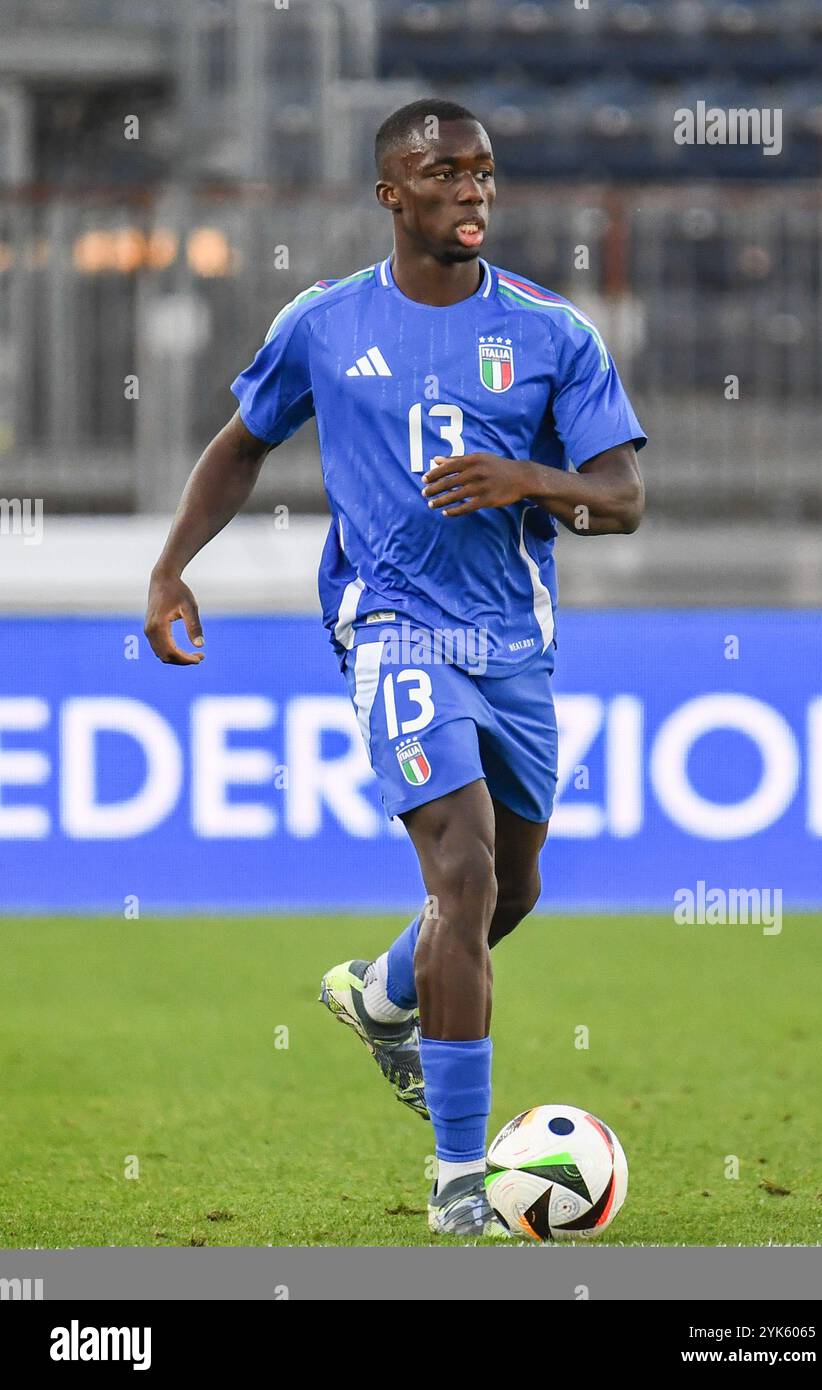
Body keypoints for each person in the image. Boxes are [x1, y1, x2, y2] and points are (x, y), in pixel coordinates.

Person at [144, 98, 646, 1238]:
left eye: (482, 174)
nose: (471, 191)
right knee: (460, 873)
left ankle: (381, 996)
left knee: (511, 890)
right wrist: (172, 567)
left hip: (510, 643)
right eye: (444, 174)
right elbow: (239, 448)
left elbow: (621, 496)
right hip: (391, 628)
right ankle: (459, 1184)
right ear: (391, 195)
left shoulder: (550, 330)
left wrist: (527, 478)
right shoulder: (322, 324)